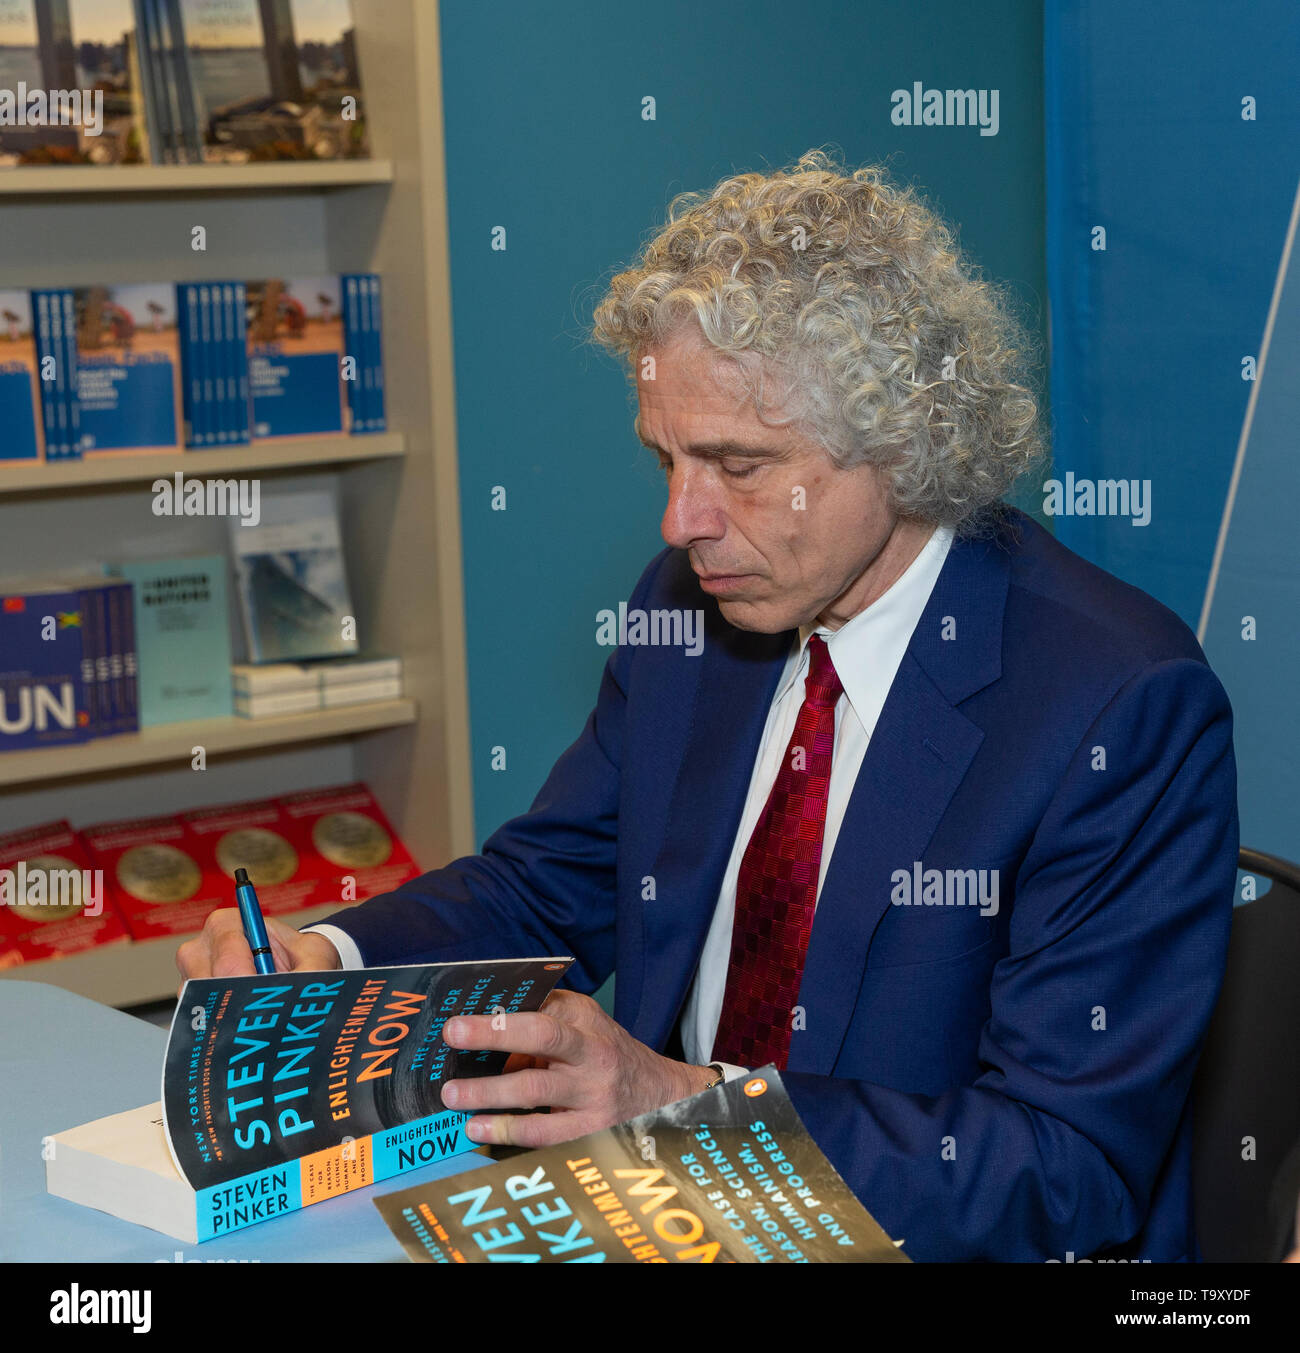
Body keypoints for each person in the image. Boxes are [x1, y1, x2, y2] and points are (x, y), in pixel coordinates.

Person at [179, 151, 1238, 1262]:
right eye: (665, 460)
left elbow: (1065, 1170)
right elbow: (548, 886)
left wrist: (683, 1107)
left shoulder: (1117, 706)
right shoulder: (687, 613)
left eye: (737, 465)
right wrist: (326, 960)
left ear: (902, 442)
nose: (683, 521)